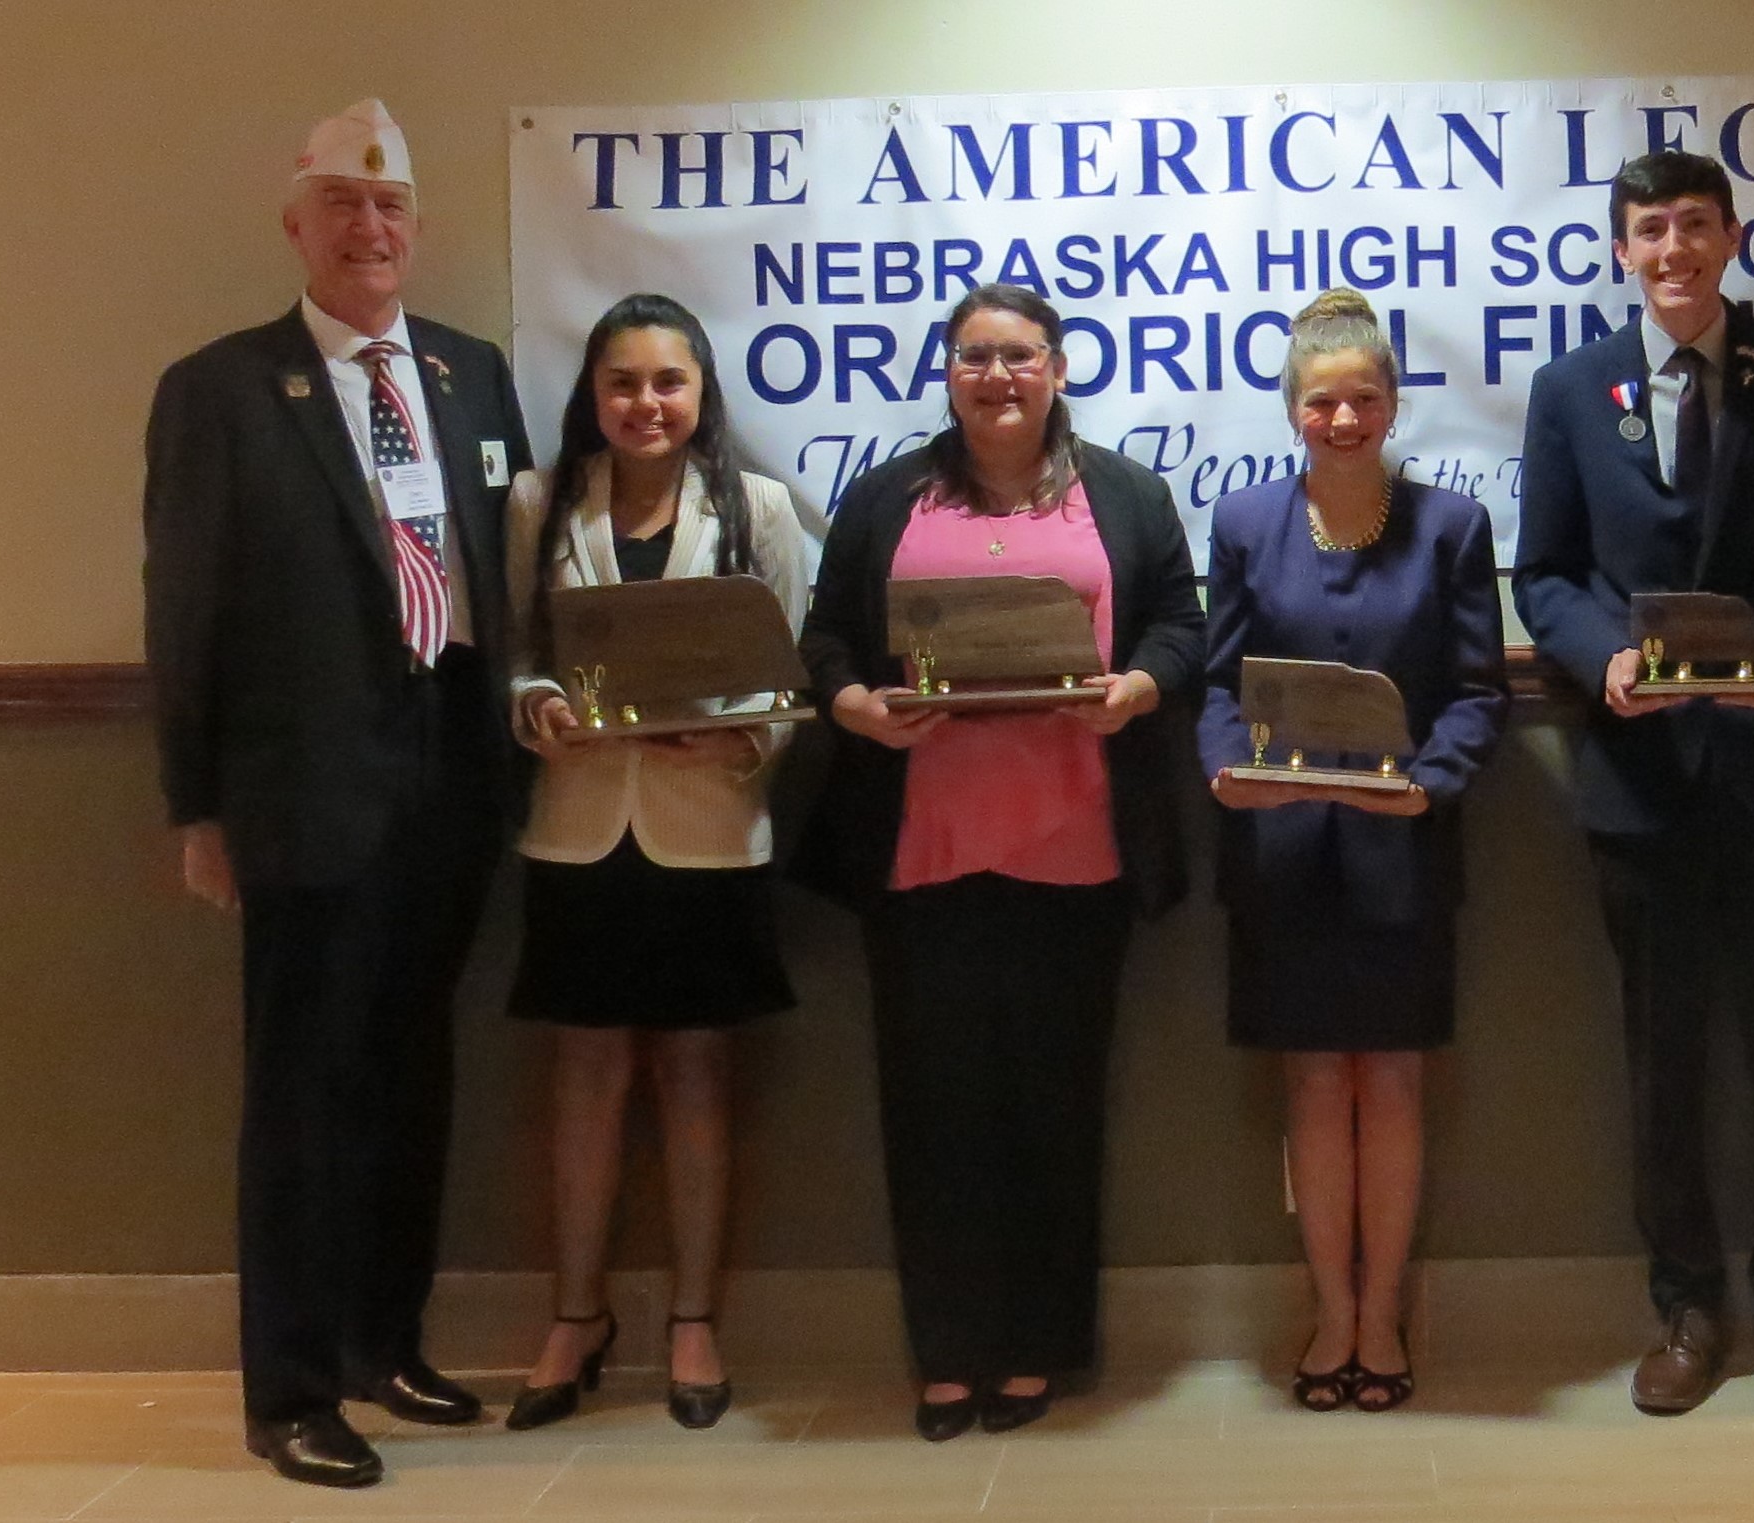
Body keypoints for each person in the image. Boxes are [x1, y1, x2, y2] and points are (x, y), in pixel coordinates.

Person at [141, 99, 532, 1487]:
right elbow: (184, 606)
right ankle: (290, 1384)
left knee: (413, 1071)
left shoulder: (473, 373)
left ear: (415, 229)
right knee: (303, 1089)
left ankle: (387, 1339)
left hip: (450, 775)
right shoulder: (224, 388)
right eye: (345, 208)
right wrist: (199, 805)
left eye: (392, 211)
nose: (372, 231)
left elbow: (504, 564)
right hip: (304, 794)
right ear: (297, 225)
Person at [794, 283, 1204, 1440]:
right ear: (948, 373)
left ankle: (1038, 1345)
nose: (997, 376)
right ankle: (948, 1350)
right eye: (974, 356)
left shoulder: (1124, 494)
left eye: (1019, 356)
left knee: (1054, 1109)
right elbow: (826, 636)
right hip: (923, 852)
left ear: (1059, 368)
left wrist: (1141, 685)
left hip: (1076, 850)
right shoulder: (886, 497)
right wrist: (855, 704)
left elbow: (1183, 622)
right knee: (933, 1115)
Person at [1512, 150, 1754, 1418]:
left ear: (1731, 239)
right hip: (1641, 779)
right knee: (1661, 1062)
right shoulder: (1568, 389)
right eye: (1649, 230)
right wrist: (1601, 658)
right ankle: (1685, 1305)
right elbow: (1542, 569)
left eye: (1695, 227)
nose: (1673, 250)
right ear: (1620, 249)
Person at [497, 294, 807, 1433]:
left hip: (706, 830)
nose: (645, 404)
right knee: (583, 1078)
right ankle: (575, 1314)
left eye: (668, 383)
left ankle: (692, 1317)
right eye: (622, 383)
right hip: (579, 826)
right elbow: (520, 651)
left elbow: (790, 677)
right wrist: (532, 705)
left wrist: (748, 733)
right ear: (593, 396)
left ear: (701, 395)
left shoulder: (759, 507)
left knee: (694, 1073)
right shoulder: (539, 503)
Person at [1198, 290, 1506, 1414]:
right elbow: (1219, 687)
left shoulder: (1454, 527)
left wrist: (1432, 780)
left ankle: (1386, 1315)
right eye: (1321, 399)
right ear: (1292, 409)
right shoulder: (1240, 523)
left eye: (1363, 398)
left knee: (1395, 1080)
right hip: (1281, 850)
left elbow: (1478, 693)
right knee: (1313, 1083)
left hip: (1403, 852)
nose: (1342, 418)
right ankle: (1332, 1308)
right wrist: (1222, 766)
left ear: (1394, 406)